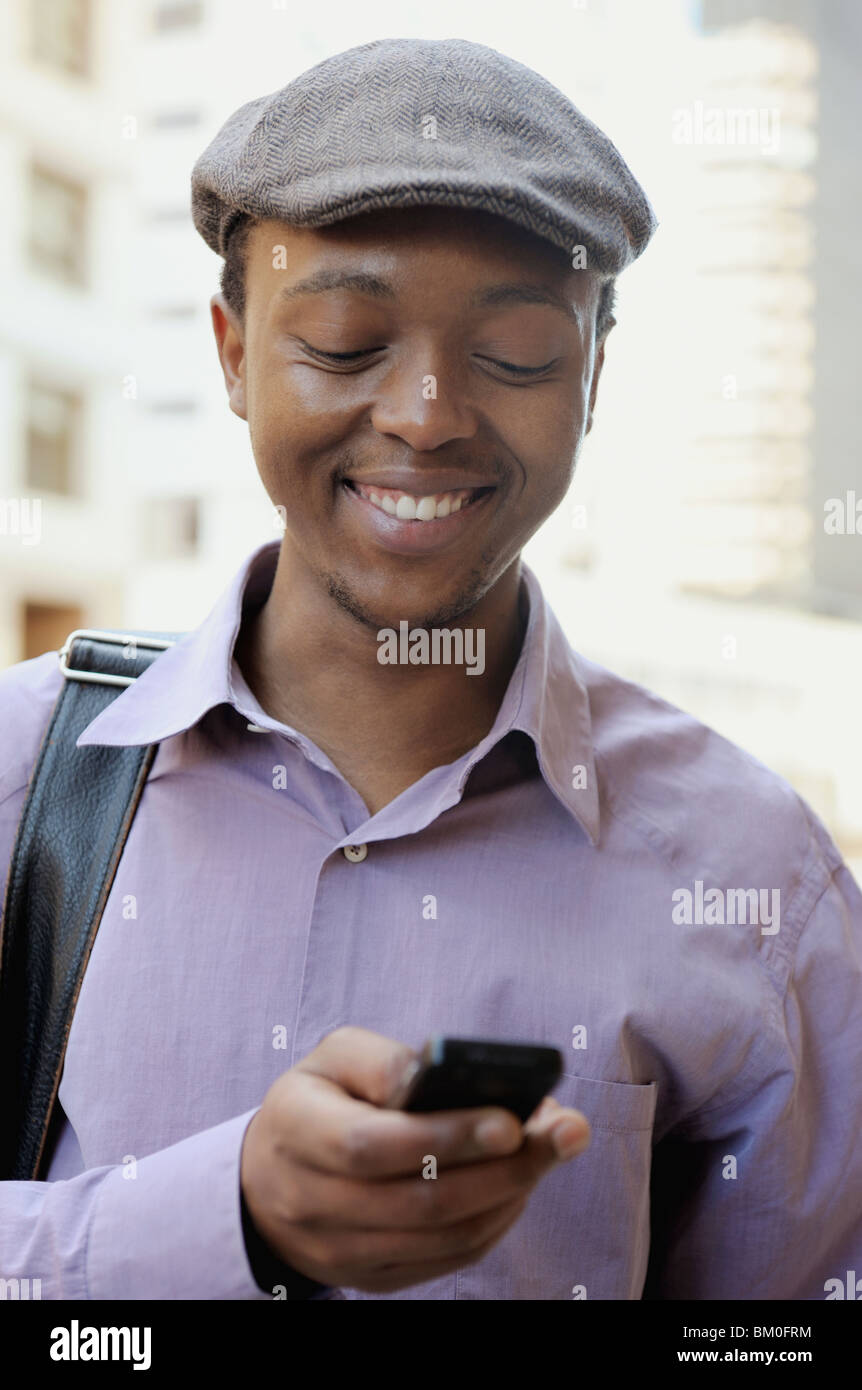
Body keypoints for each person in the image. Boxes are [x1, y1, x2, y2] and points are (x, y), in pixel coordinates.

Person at [0, 38, 859, 1302]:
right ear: (234, 354)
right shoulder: (23, 778)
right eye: (347, 341)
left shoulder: (755, 876)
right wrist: (216, 1220)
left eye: (516, 356)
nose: (426, 412)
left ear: (593, 379)